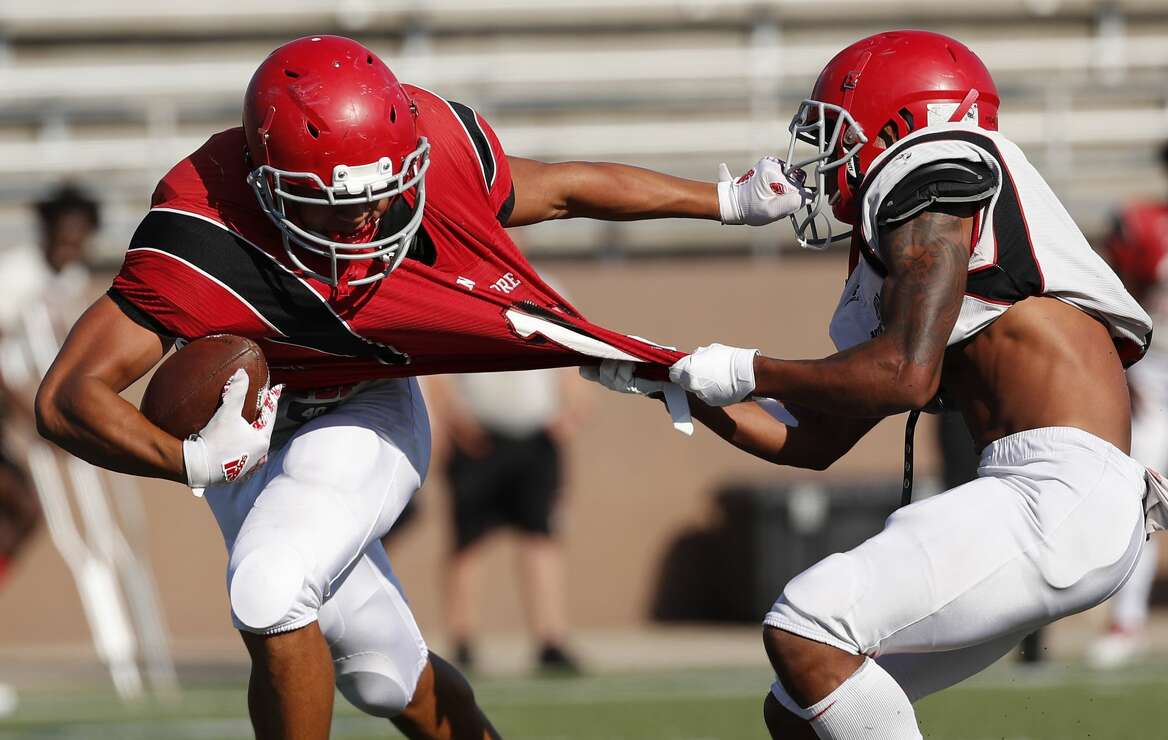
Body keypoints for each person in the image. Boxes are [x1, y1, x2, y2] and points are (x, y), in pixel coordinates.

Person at [33, 36, 804, 740]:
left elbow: (565, 188)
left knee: (269, 585)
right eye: (335, 203)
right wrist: (191, 462)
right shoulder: (205, 232)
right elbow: (67, 396)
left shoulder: (434, 163)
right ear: (264, 185)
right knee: (383, 674)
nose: (369, 220)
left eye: (383, 193)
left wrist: (728, 200)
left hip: (364, 405)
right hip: (246, 436)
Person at [584, 30, 1168, 739]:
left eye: (835, 132)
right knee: (799, 711)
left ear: (899, 117)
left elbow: (904, 376)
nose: (825, 156)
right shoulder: (904, 229)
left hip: (1062, 489)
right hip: (1051, 494)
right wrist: (684, 382)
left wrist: (744, 368)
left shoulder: (936, 171)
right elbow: (809, 439)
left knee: (808, 626)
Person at [1087, 136, 1168, 669]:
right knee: (1142, 498)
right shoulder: (1143, 221)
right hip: (1153, 371)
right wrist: (1123, 365)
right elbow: (1111, 293)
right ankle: (1127, 622)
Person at [425, 360, 590, 675]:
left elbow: (569, 364)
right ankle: (463, 640)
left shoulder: (547, 310)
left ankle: (550, 639)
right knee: (467, 543)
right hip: (475, 443)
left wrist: (572, 414)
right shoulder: (464, 311)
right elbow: (439, 372)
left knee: (542, 539)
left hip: (537, 442)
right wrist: (453, 419)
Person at [0, 184, 100, 584]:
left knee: (26, 511)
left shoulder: (71, 280)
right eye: (63, 239)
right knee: (20, 503)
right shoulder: (16, 275)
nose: (69, 249)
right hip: (8, 398)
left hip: (18, 401)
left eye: (78, 242)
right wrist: (34, 418)